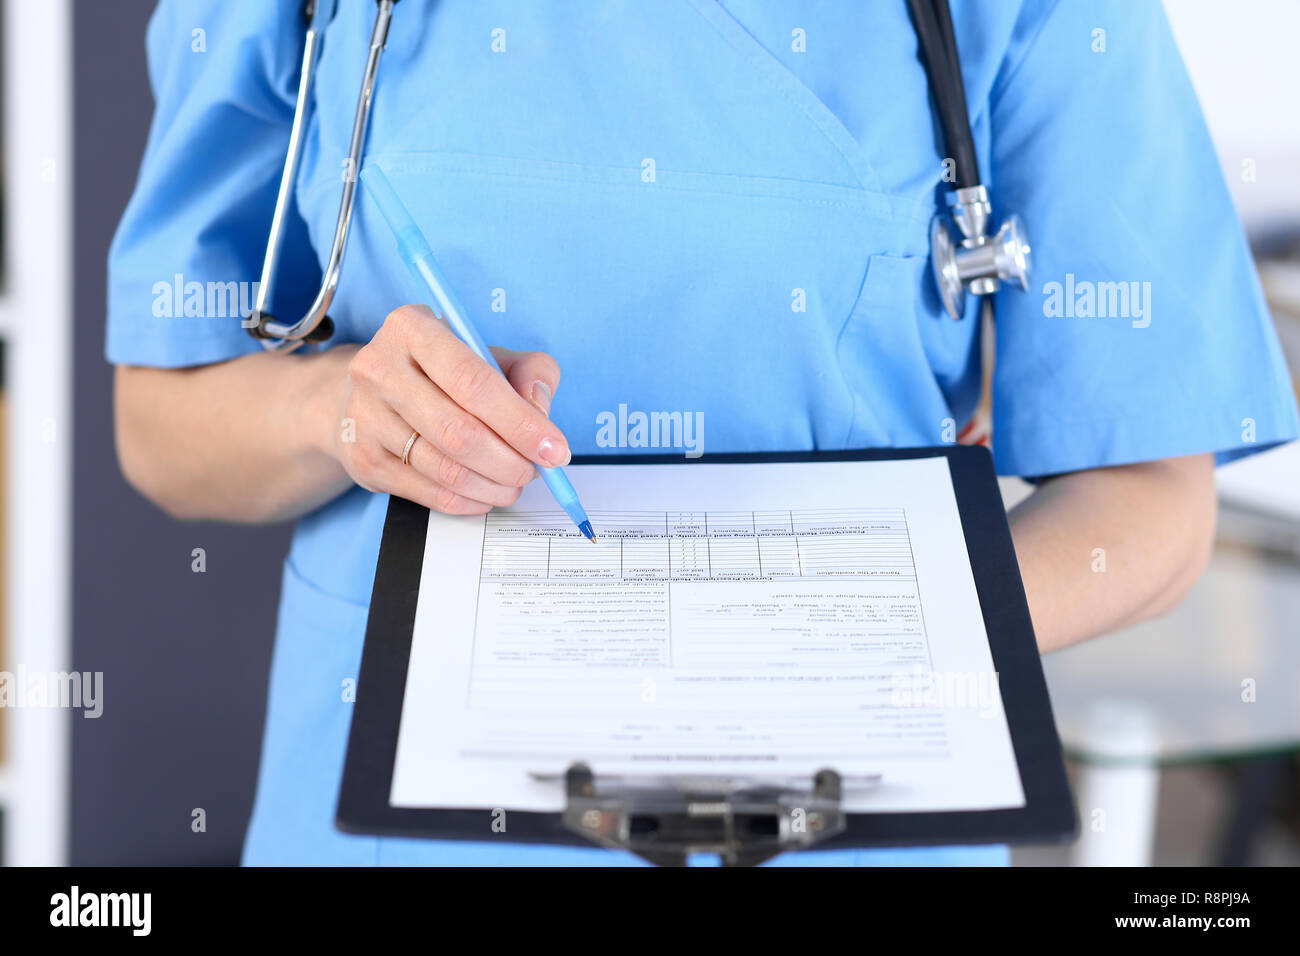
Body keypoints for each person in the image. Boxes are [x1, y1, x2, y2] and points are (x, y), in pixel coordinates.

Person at [108, 1, 1298, 866]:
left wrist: (830, 644)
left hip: (851, 807)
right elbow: (161, 426)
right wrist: (337, 409)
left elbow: (1150, 496)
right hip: (399, 825)